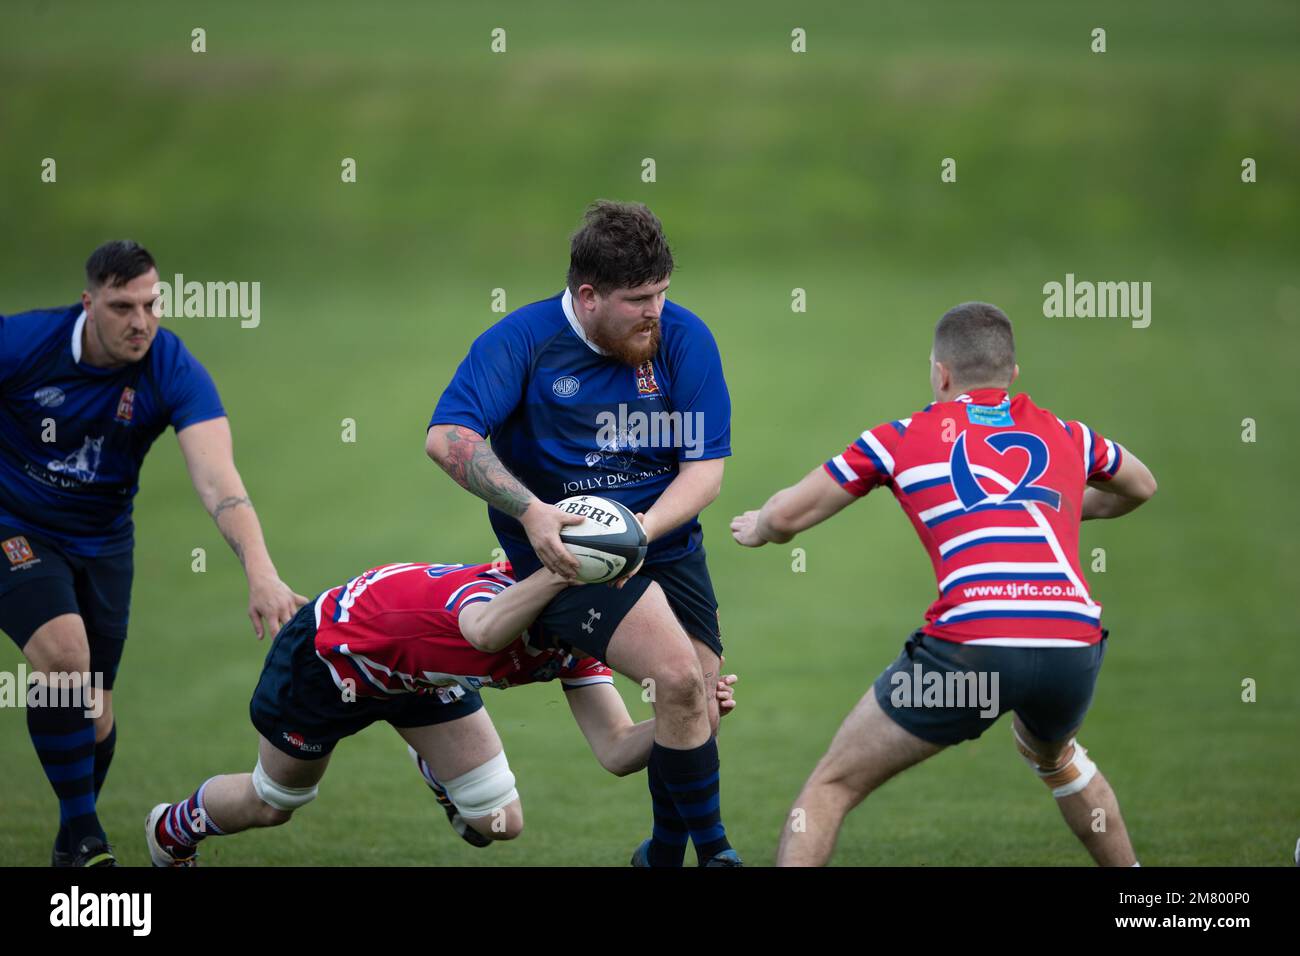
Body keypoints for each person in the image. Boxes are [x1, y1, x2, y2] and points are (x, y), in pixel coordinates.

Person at [731, 302, 1157, 866]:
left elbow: (788, 516)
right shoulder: (1068, 434)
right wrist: (1068, 509)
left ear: (940, 374)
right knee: (1057, 758)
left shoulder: (900, 436)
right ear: (1013, 375)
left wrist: (759, 525)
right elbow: (1142, 485)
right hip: (1072, 644)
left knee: (831, 788)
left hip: (972, 648)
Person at [426, 201, 740, 866]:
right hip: (565, 559)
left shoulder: (684, 339)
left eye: (662, 292)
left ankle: (659, 853)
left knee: (696, 709)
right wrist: (532, 512)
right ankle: (717, 855)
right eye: (638, 300)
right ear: (588, 296)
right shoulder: (521, 342)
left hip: (666, 543)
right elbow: (448, 438)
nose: (655, 311)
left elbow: (705, 471)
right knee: (680, 680)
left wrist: (639, 530)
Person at [0, 240, 305, 867]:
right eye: (122, 306)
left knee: (96, 710)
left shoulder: (171, 367)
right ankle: (86, 835)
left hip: (105, 541)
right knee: (65, 656)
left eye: (151, 303)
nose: (140, 321)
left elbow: (220, 482)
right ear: (89, 304)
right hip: (14, 525)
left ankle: (70, 843)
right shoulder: (23, 344)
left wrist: (262, 572)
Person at [144, 560, 738, 865]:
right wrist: (559, 569)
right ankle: (172, 828)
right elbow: (482, 635)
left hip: (424, 682)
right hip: (330, 660)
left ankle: (431, 760)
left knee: (498, 823)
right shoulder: (493, 605)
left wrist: (686, 717)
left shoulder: (578, 641)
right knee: (273, 804)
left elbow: (613, 749)